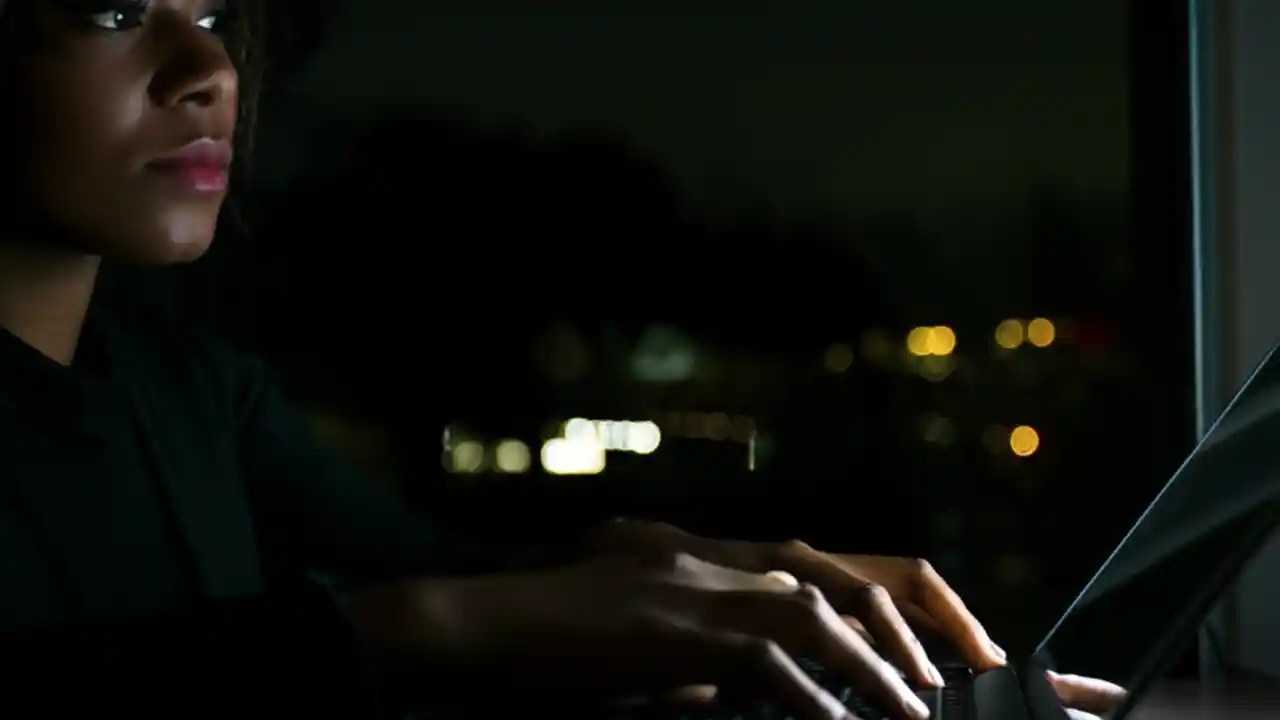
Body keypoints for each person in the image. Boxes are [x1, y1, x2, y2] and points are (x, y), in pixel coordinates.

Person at [0, 1, 1127, 718]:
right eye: (111, 6)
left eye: (209, 6)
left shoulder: (192, 390)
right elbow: (411, 624)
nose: (206, 63)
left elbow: (431, 579)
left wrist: (688, 573)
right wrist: (450, 631)